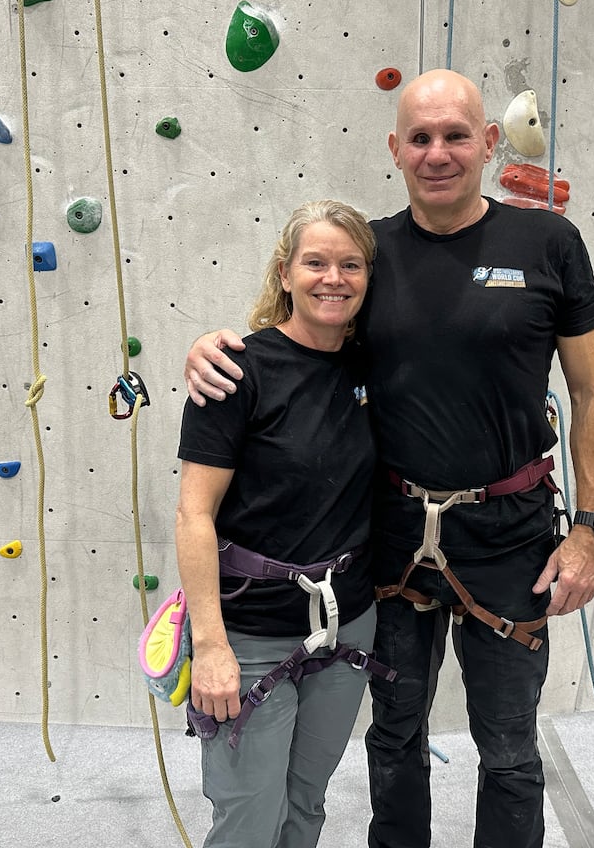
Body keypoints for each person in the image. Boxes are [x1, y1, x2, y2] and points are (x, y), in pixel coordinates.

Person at [185, 70, 594, 848]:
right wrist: (216, 349)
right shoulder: (369, 256)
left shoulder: (549, 243)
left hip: (512, 533)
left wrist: (589, 532)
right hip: (389, 538)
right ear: (395, 149)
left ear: (489, 143)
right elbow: (303, 340)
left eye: (457, 135)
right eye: (420, 137)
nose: (439, 153)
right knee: (393, 736)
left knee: (511, 748)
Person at [175, 199, 386, 848]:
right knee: (248, 819)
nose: (334, 277)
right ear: (285, 272)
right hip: (249, 632)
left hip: (345, 624)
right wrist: (210, 646)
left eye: (351, 264)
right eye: (316, 262)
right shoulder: (237, 370)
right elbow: (193, 514)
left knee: (304, 804)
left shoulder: (374, 364)